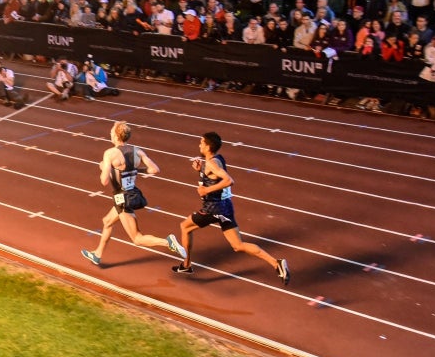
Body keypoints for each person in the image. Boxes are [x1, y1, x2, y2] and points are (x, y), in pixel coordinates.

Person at [169, 131, 290, 285]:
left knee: (185, 227)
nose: (199, 145)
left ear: (207, 146)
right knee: (238, 245)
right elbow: (213, 177)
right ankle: (276, 263)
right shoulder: (217, 159)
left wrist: (206, 190)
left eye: (201, 142)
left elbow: (228, 180)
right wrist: (200, 170)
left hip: (213, 209)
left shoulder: (212, 163)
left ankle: (186, 265)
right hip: (225, 207)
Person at [81, 121, 176, 265]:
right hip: (131, 193)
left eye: (112, 131)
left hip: (122, 198)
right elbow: (155, 170)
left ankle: (167, 242)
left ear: (116, 135)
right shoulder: (137, 151)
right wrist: (136, 170)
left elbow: (104, 181)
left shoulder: (110, 153)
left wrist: (103, 169)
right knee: (107, 222)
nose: (110, 134)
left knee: (137, 238)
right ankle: (98, 254)